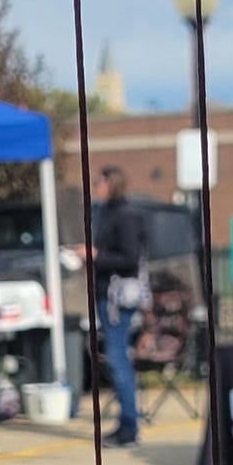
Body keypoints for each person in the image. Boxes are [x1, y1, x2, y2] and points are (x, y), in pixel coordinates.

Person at [78, 167, 146, 448]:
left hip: (117, 297)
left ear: (111, 184)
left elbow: (130, 258)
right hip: (105, 293)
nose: (96, 187)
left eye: (100, 182)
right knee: (117, 358)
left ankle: (129, 426)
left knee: (118, 359)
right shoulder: (105, 212)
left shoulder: (125, 215)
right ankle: (126, 423)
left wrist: (96, 256)